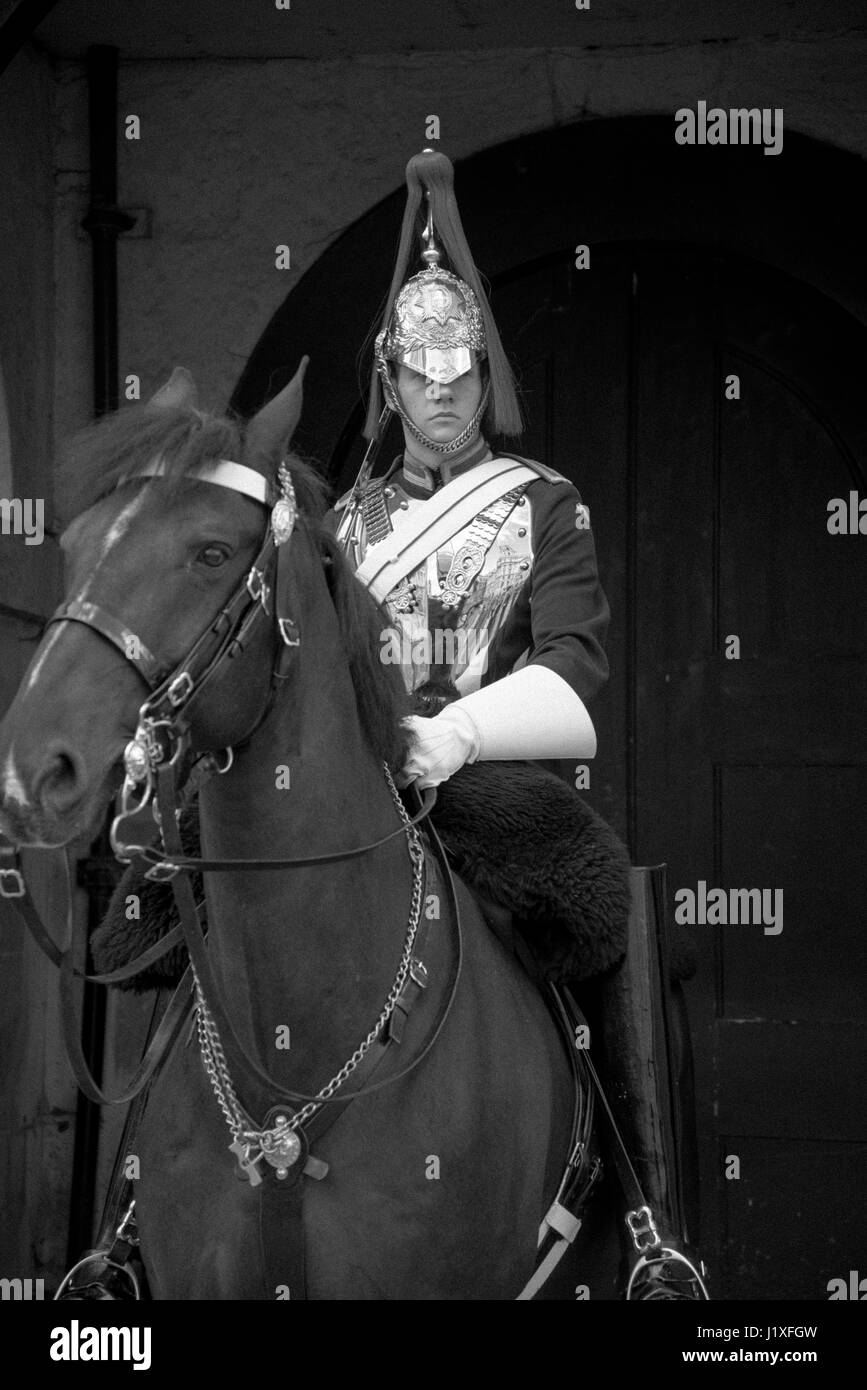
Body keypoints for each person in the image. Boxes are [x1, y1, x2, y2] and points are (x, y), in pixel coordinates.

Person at [334, 148, 610, 790]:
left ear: (485, 376)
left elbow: (576, 655)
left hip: (498, 775)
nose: (440, 390)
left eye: (457, 369)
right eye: (420, 372)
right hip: (366, 784)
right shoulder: (342, 524)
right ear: (392, 380)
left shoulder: (548, 504)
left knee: (582, 883)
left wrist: (464, 732)